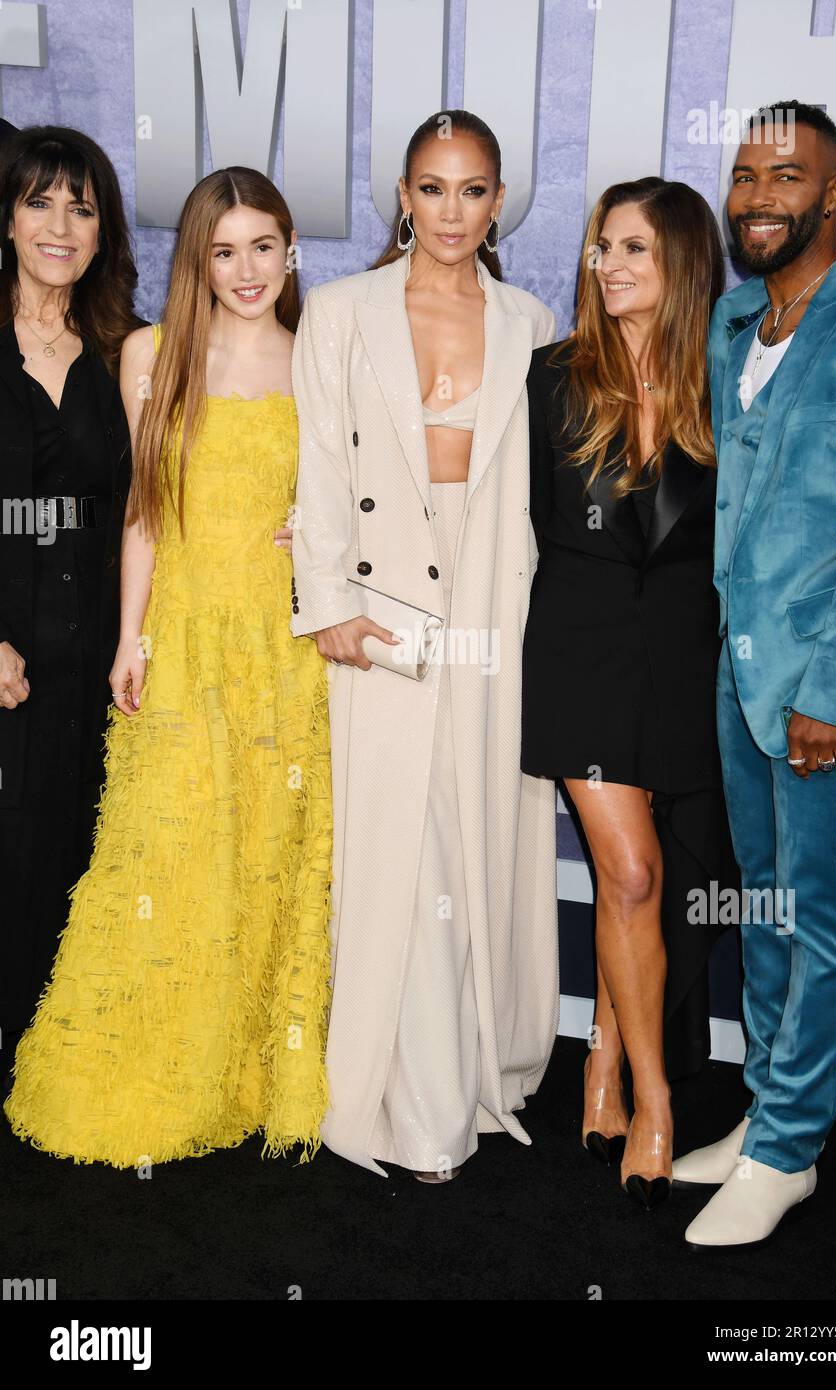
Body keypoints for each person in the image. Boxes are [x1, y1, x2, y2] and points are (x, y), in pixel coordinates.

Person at [4, 167, 333, 1167]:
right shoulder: (151, 354)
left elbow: (358, 494)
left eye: (262, 247)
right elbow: (143, 510)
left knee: (266, 855)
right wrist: (129, 641)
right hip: (182, 639)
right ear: (197, 260)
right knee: (163, 851)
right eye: (222, 250)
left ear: (289, 251)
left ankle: (250, 1067)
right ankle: (150, 1068)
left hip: (280, 649)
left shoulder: (318, 354)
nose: (245, 270)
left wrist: (313, 535)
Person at [290, 109, 559, 1181]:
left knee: (479, 833)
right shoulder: (342, 312)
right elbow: (317, 460)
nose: (452, 211)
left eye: (474, 189)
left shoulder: (530, 320)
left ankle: (474, 1068)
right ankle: (422, 1113)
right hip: (379, 593)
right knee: (404, 845)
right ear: (401, 195)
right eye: (432, 188)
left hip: (495, 590)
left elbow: (548, 486)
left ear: (499, 203)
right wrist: (327, 602)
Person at [675, 102, 836, 1248]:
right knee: (762, 905)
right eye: (745, 173)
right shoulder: (732, 317)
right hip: (739, 666)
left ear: (835, 192)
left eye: (786, 176)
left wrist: (832, 692)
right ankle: (767, 1107)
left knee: (815, 917)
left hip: (828, 690)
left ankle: (791, 1148)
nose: (760, 195)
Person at [522, 178, 734, 1208]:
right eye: (603, 246)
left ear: (683, 264)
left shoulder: (726, 384)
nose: (608, 266)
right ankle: (655, 1100)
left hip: (685, 663)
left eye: (635, 250)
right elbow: (493, 518)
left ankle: (602, 1059)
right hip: (578, 654)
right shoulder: (550, 378)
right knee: (635, 873)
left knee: (634, 882)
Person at [0, 126, 141, 1072]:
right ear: (7, 218)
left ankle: (50, 1050)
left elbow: (160, 495)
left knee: (75, 841)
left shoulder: (123, 351)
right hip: (5, 639)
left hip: (93, 644)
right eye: (40, 201)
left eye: (81, 207)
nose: (61, 224)